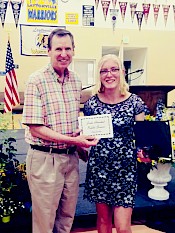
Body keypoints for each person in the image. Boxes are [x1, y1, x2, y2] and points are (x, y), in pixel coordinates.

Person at [22, 28, 98, 233]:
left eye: (67, 48)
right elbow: (36, 128)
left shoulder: (76, 81)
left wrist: (79, 139)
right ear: (48, 51)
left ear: (74, 51)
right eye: (58, 49)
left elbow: (71, 121)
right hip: (45, 159)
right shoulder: (36, 80)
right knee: (44, 221)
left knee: (66, 217)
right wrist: (75, 141)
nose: (63, 53)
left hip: (70, 159)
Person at [83, 54, 145, 233]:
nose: (109, 74)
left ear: (122, 72)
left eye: (114, 69)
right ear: (99, 75)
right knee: (103, 222)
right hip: (99, 170)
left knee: (123, 227)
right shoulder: (91, 104)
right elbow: (87, 136)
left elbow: (141, 139)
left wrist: (145, 153)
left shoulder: (135, 102)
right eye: (104, 71)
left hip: (125, 171)